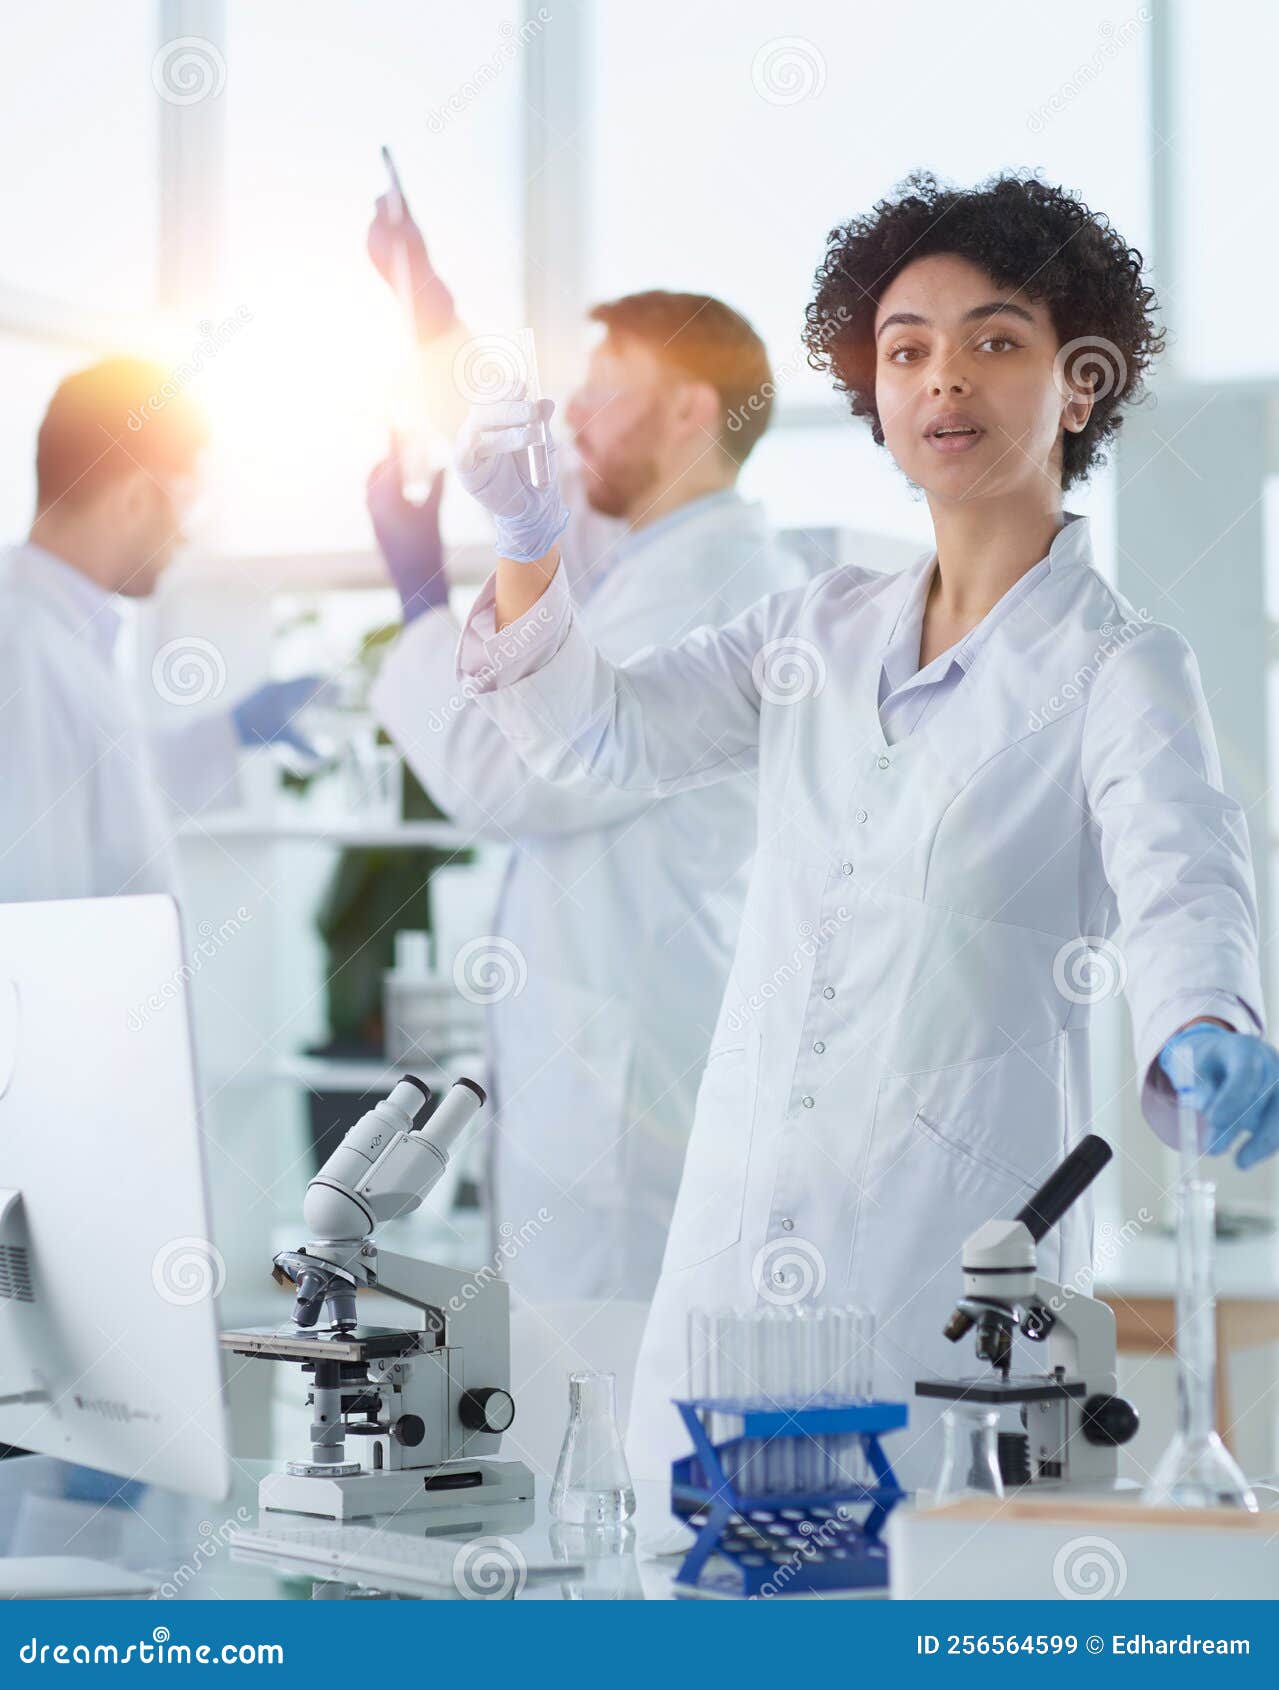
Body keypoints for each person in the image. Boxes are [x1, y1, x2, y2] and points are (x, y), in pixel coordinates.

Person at [446, 170, 1279, 1490]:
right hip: (729, 1274)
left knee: (917, 1597)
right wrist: (527, 538)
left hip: (942, 1273)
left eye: (993, 340)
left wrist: (1202, 1026)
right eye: (904, 349)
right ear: (872, 393)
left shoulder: (1118, 668)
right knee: (693, 1591)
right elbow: (592, 732)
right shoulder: (808, 630)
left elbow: (1182, 881)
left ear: (1078, 384)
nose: (940, 377)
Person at [364, 192, 808, 1301]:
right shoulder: (649, 545)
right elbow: (523, 463)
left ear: (689, 413)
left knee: (608, 1391)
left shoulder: (714, 585)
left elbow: (510, 778)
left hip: (629, 1072)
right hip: (593, 1043)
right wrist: (430, 316)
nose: (576, 414)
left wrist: (421, 598)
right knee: (573, 1377)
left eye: (609, 389)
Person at [0, 358, 321, 903]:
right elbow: (36, 916)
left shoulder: (61, 630)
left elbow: (110, 794)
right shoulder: (23, 647)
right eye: (186, 499)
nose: (185, 536)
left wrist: (231, 731)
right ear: (134, 499)